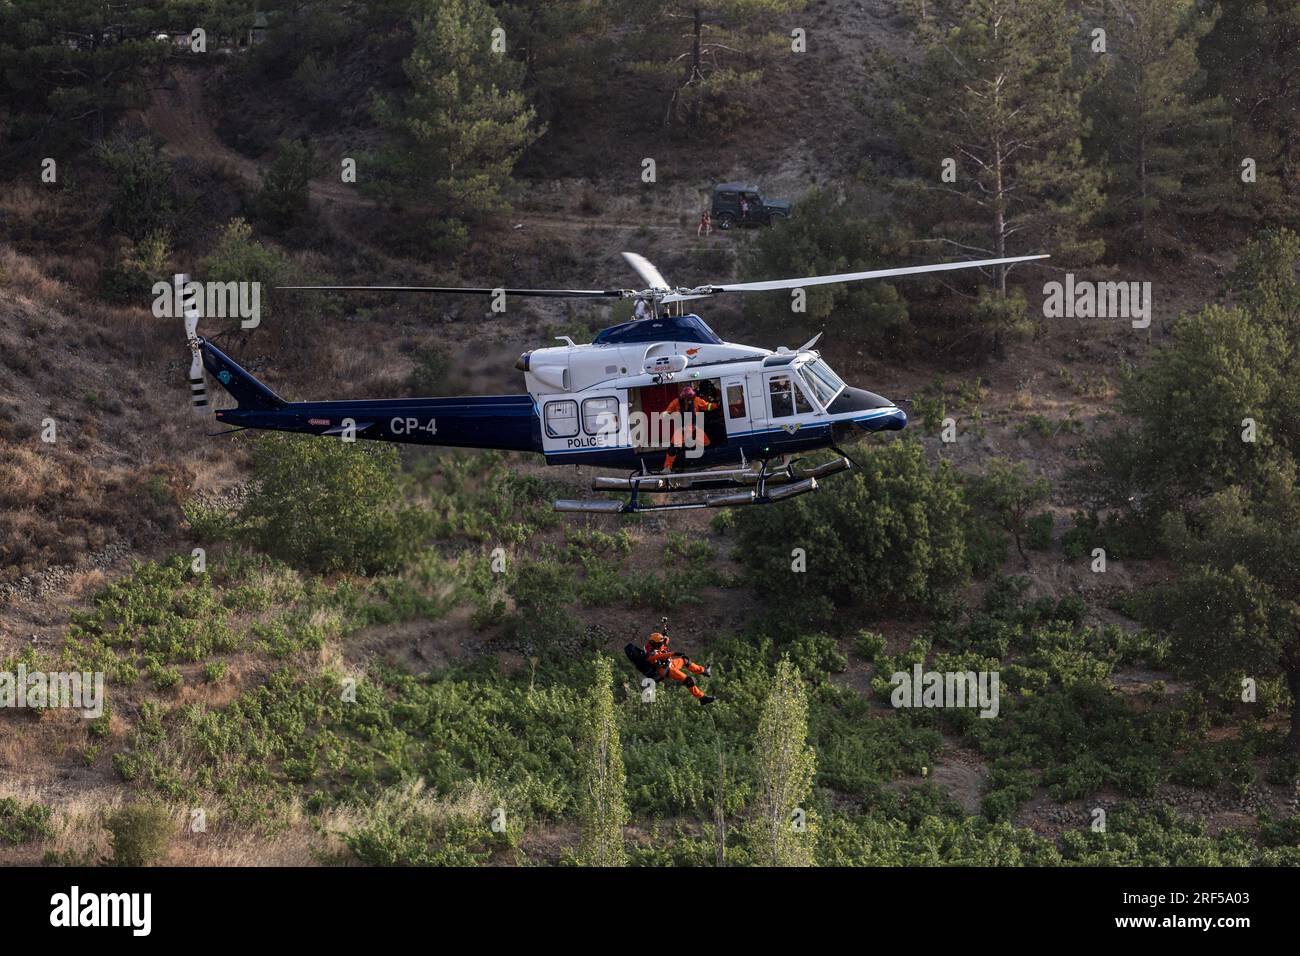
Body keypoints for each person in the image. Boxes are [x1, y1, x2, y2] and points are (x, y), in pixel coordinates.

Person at [644, 631, 714, 705]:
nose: (661, 644)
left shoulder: (655, 645)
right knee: (688, 680)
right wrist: (674, 653)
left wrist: (665, 636)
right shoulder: (650, 654)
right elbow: (659, 656)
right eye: (660, 643)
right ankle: (702, 698)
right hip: (667, 670)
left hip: (671, 663)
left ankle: (704, 671)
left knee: (685, 660)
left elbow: (664, 643)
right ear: (655, 644)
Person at [661, 384, 718, 471]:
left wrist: (716, 405)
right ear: (683, 398)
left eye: (691, 399)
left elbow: (706, 406)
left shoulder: (696, 400)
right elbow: (667, 411)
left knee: (707, 444)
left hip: (695, 428)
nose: (690, 401)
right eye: (688, 399)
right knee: (672, 449)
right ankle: (667, 468)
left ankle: (706, 463)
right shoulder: (676, 402)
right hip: (682, 429)